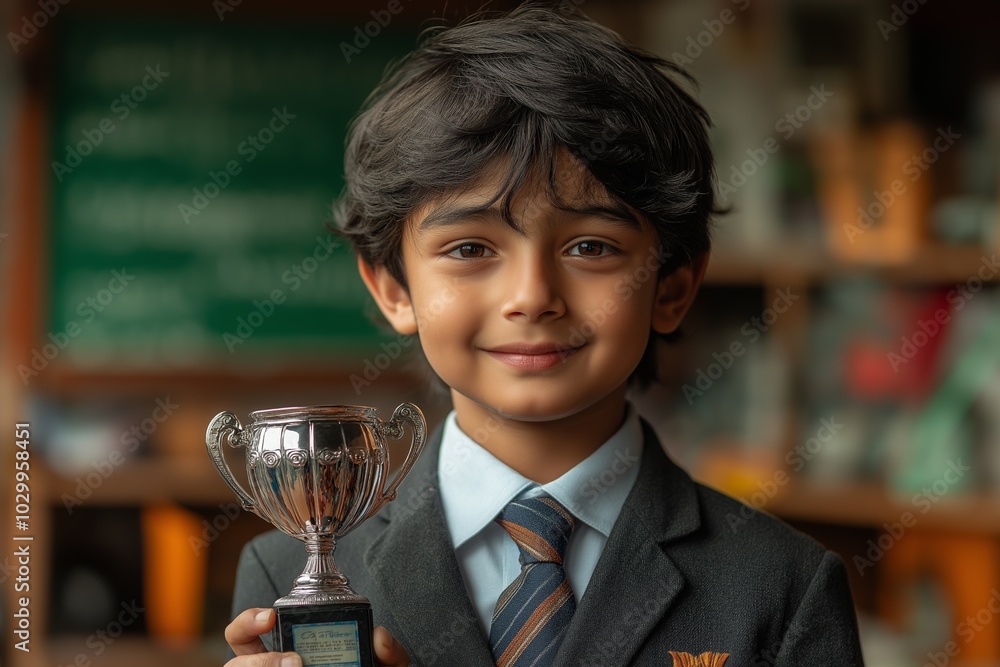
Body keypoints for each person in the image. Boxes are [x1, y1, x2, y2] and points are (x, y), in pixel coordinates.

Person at [224, 4, 864, 666]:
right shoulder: (286, 573)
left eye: (591, 246)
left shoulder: (780, 584)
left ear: (672, 286)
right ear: (393, 287)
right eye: (470, 248)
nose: (531, 296)